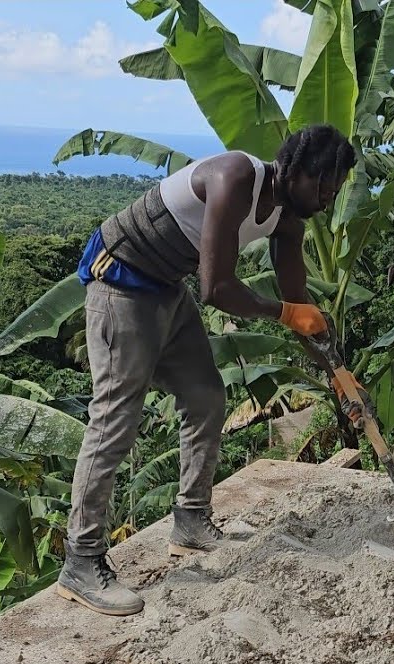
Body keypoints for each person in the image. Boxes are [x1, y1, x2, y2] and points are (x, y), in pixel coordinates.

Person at [56, 125, 357, 616]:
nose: (327, 199)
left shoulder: (289, 222)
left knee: (206, 397)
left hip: (167, 290)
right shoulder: (236, 175)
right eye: (323, 186)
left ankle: (191, 523)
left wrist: (340, 375)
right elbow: (217, 287)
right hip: (122, 282)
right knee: (114, 420)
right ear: (296, 170)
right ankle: (82, 561)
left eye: (335, 191)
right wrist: (284, 313)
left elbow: (300, 307)